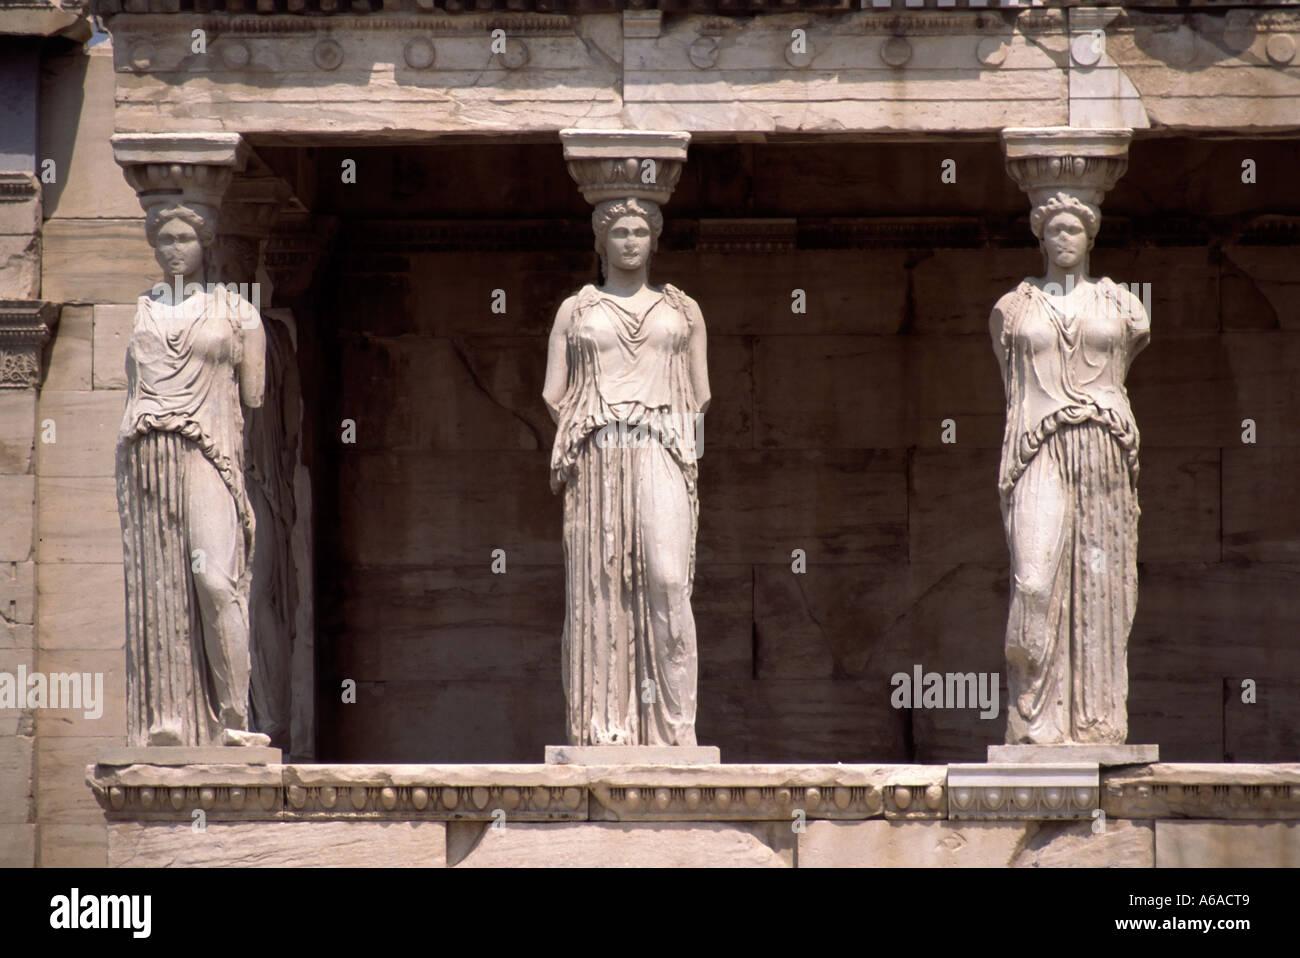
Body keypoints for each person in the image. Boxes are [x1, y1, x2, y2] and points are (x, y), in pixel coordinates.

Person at [543, 197, 710, 747]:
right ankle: (605, 728)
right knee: (601, 583)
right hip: (597, 455)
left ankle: (674, 730)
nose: (631, 241)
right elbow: (554, 394)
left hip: (662, 446)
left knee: (667, 578)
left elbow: (699, 397)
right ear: (601, 240)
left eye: (640, 231)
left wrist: (674, 445)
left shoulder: (683, 311)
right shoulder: (575, 311)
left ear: (655, 238)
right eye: (620, 232)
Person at [988, 190, 1150, 745]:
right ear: (1039, 236)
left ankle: (1094, 723)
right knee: (1033, 581)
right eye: (1053, 228)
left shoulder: (1124, 305)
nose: (1063, 238)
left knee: (1100, 584)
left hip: (1104, 446)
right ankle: (1033, 720)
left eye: (1073, 228)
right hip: (1038, 448)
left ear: (1091, 235)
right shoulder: (1012, 310)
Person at [116, 201, 269, 747]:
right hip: (147, 452)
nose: (173, 249)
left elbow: (254, 395)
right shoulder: (143, 311)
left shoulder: (239, 312)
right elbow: (133, 389)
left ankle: (234, 718)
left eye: (183, 238)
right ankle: (168, 722)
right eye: (164, 239)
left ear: (205, 243)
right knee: (161, 587)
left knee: (214, 581)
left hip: (209, 452)